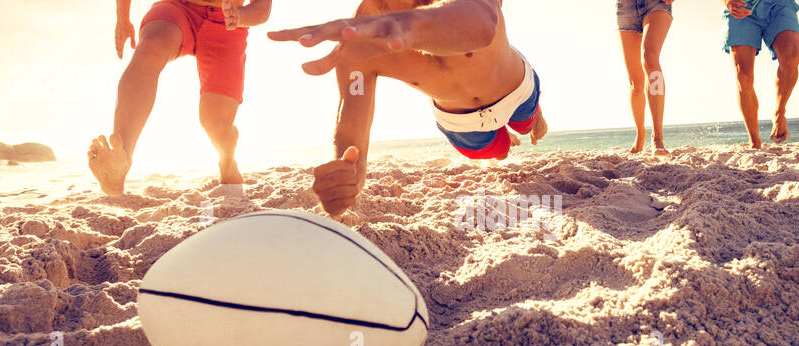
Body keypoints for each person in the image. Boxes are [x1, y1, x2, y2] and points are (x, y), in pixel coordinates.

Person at [268, 0, 547, 217]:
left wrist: (405, 27)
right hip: (460, 122)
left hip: (516, 89)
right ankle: (504, 138)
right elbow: (351, 132)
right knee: (499, 152)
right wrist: (346, 173)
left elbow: (482, 24)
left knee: (530, 125)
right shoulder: (357, 40)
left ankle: (533, 120)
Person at [88, 0, 272, 195]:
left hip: (228, 23)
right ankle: (121, 156)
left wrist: (239, 16)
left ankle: (227, 162)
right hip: (177, 8)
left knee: (215, 123)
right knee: (152, 46)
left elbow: (262, 9)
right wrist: (122, 18)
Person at [724, 0, 799, 148]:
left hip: (780, 5)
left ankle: (779, 112)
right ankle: (754, 140)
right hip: (741, 5)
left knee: (791, 59)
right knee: (743, 77)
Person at [617, 0, 673, 156]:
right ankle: (640, 133)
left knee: (649, 57)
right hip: (625, 7)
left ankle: (657, 137)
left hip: (657, 4)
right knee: (636, 84)